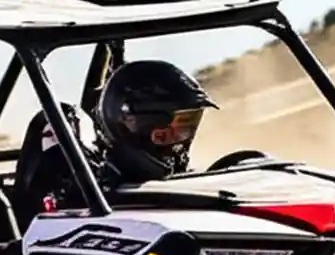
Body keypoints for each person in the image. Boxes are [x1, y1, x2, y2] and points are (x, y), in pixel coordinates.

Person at [11, 59, 217, 228]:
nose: (186, 137)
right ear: (143, 124)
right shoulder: (88, 194)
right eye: (182, 126)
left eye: (192, 124)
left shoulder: (180, 185)